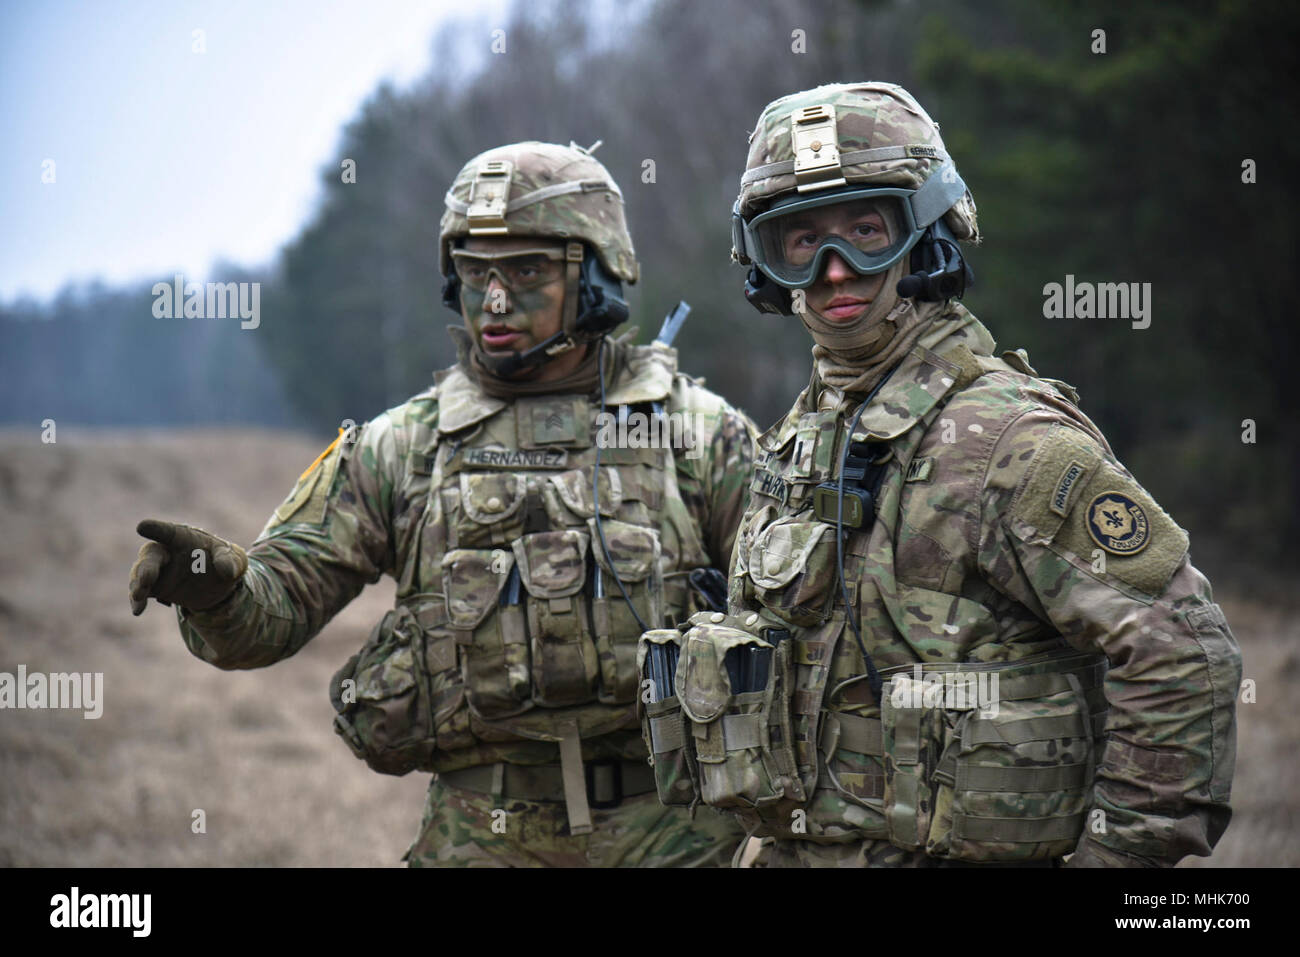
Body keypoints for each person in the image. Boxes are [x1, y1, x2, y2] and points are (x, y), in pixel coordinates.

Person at [637, 83, 1240, 868]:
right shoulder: (807, 430)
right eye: (800, 241)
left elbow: (1183, 654)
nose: (835, 271)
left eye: (866, 231)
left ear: (926, 234)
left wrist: (1114, 858)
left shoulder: (1009, 439)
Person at [128, 140, 754, 867]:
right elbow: (275, 609)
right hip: (480, 837)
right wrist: (212, 585)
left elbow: (801, 618)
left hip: (675, 833)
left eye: (525, 271)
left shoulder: (698, 434)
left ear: (596, 276)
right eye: (474, 270)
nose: (492, 299)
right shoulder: (403, 446)